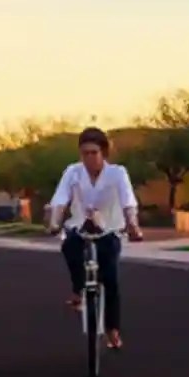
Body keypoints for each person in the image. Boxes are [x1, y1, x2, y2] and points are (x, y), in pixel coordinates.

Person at [46, 126, 144, 350]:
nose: (89, 158)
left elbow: (128, 201)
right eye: (85, 153)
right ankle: (79, 290)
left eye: (94, 153)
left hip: (109, 229)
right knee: (69, 247)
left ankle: (112, 330)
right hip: (80, 227)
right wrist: (54, 222)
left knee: (110, 278)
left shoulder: (118, 173)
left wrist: (134, 226)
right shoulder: (73, 172)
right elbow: (60, 199)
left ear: (104, 153)